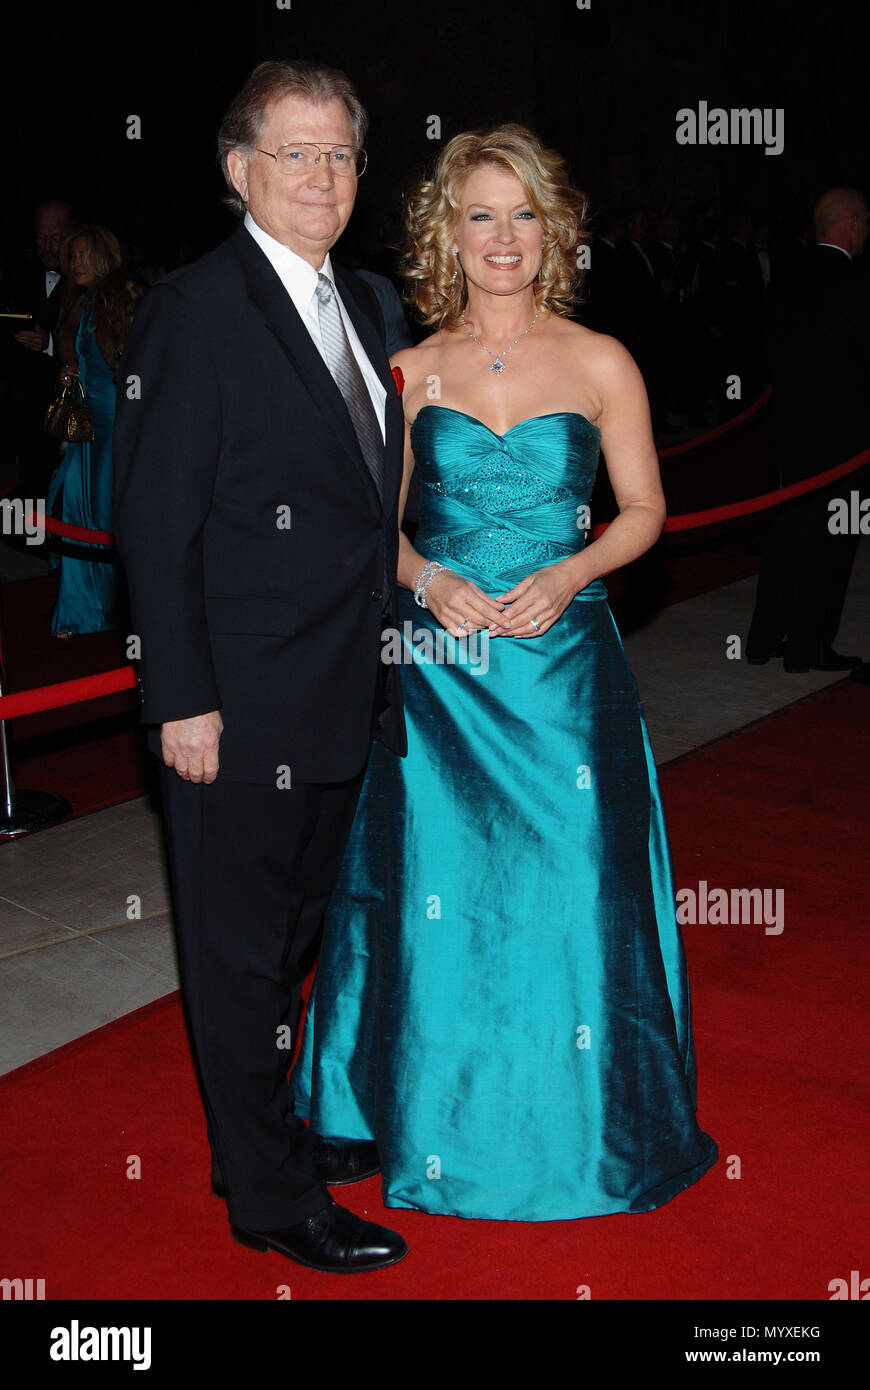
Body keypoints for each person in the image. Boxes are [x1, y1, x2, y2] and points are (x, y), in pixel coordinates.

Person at [292, 124, 718, 1221]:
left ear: (552, 229)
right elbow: (371, 532)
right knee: (437, 894)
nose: (503, 237)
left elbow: (649, 514)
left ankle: (591, 1130)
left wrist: (573, 570)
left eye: (523, 213)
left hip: (564, 670)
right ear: (448, 232)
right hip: (437, 677)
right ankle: (437, 1120)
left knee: (577, 883)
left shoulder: (599, 359)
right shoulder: (408, 369)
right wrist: (426, 580)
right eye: (481, 214)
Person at [112, 60, 409, 1274]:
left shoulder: (375, 303)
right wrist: (180, 694)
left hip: (343, 686)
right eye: (294, 153)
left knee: (294, 934)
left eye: (340, 154)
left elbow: (369, 503)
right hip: (232, 702)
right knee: (238, 953)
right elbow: (153, 516)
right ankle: (268, 1195)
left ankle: (276, 1125)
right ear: (240, 173)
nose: (321, 177)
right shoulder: (196, 307)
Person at [746, 186, 870, 671]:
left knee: (788, 534)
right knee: (832, 544)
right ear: (854, 224)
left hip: (790, 434)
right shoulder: (857, 285)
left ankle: (762, 639)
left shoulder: (785, 278)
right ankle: (809, 646)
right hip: (844, 441)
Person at [46, 225, 141, 637]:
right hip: (87, 425)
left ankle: (120, 612)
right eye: (72, 257)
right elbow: (82, 357)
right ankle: (82, 612)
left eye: (84, 255)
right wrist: (71, 374)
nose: (76, 263)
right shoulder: (79, 304)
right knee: (70, 509)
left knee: (105, 515)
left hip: (119, 422)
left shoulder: (127, 297)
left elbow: (145, 362)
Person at [0, 200, 73, 498]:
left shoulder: (84, 278)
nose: (47, 247)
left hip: (69, 406)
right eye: (41, 239)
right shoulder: (20, 276)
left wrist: (50, 344)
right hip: (27, 405)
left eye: (55, 238)